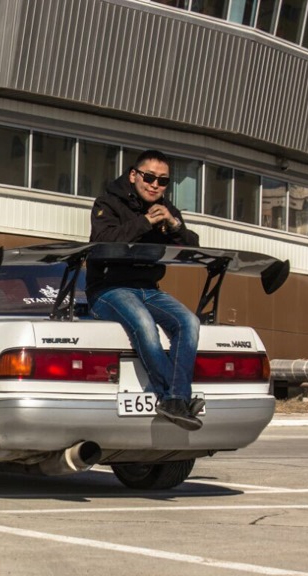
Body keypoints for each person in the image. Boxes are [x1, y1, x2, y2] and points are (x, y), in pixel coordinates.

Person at [86, 150, 204, 431]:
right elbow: (103, 241)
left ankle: (174, 399)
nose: (155, 185)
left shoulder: (166, 208)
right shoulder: (107, 202)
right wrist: (145, 223)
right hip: (109, 288)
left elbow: (193, 247)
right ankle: (174, 398)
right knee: (144, 324)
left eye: (162, 181)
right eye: (149, 177)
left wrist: (174, 225)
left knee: (189, 322)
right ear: (133, 175)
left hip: (149, 288)